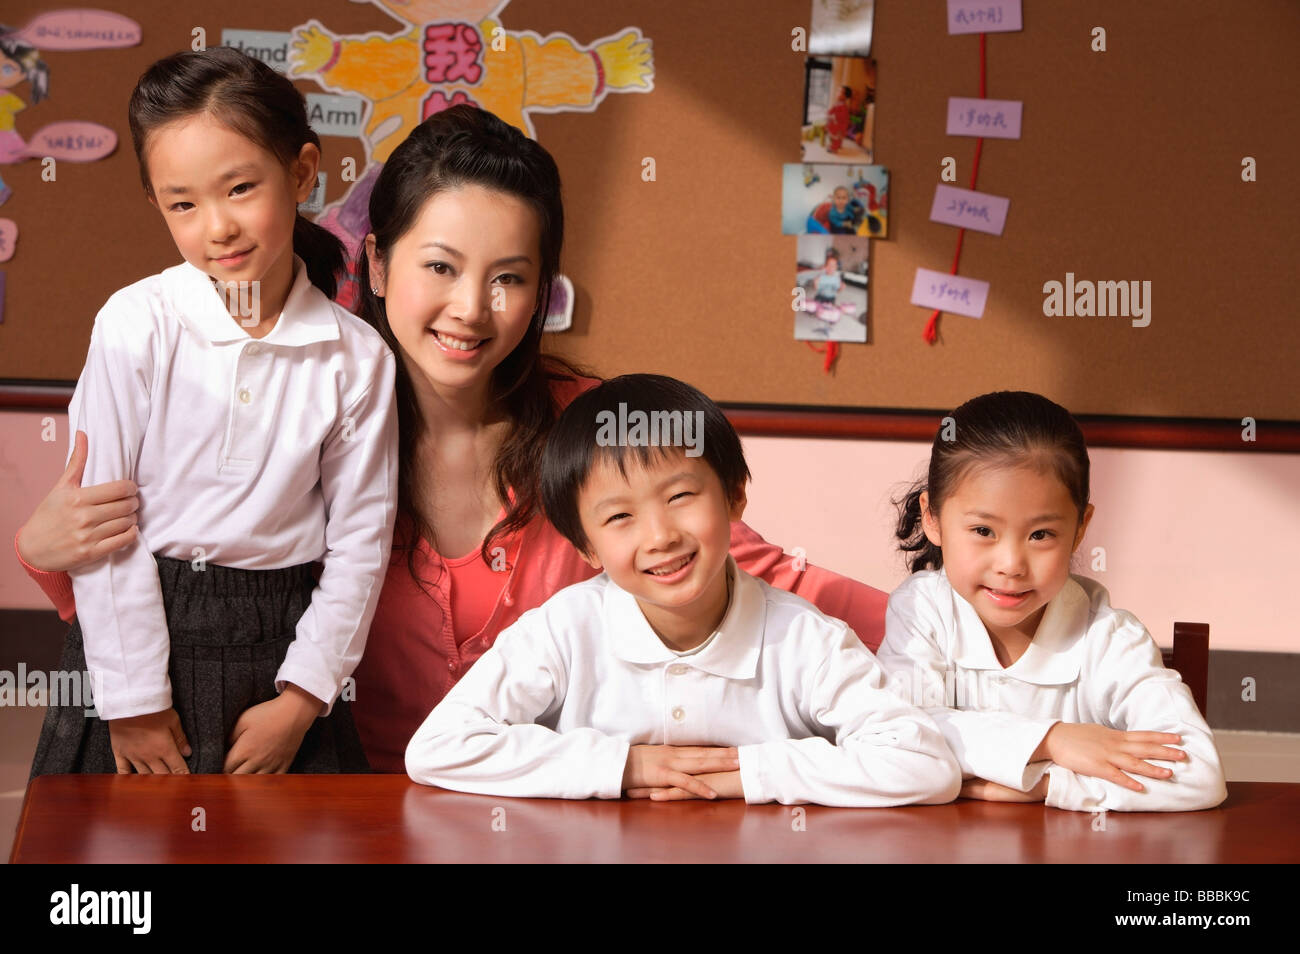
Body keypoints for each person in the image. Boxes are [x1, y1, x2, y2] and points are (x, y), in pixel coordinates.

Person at [17, 104, 889, 775]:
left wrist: (977, 629)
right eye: (439, 267)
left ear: (543, 292)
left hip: (549, 810)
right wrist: (43, 549)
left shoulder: (595, 430)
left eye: (509, 278)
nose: (472, 310)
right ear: (380, 266)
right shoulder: (311, 413)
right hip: (340, 804)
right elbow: (185, 583)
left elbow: (767, 577)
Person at [26, 46, 398, 776]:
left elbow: (360, 544)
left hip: (282, 653)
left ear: (300, 171)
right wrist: (131, 705)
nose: (217, 227)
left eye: (239, 188)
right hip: (136, 640)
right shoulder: (136, 323)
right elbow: (102, 524)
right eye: (183, 204)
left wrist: (301, 701)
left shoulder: (355, 358)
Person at [405, 374, 961, 805]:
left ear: (734, 496)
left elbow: (924, 763)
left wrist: (751, 772)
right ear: (585, 547)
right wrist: (625, 765)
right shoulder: (562, 629)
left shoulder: (804, 638)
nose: (660, 537)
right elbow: (439, 748)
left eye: (679, 497)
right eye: (619, 516)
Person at [875, 391, 1226, 812]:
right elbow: (896, 735)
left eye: (1040, 535)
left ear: (1080, 528)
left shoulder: (1110, 637)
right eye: (983, 531)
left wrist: (1044, 784)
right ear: (932, 518)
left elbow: (1200, 775)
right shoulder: (920, 611)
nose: (1011, 565)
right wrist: (1053, 739)